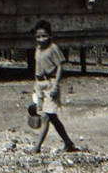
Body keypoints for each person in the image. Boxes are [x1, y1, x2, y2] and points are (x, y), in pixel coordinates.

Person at [31, 20, 78, 153]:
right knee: (52, 118)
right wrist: (35, 87)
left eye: (44, 36)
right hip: (40, 85)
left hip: (51, 84)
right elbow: (37, 69)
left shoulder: (53, 48)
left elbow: (60, 66)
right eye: (38, 37)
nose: (41, 39)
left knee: (46, 116)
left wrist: (56, 85)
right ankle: (68, 143)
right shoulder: (37, 50)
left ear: (50, 36)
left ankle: (37, 147)